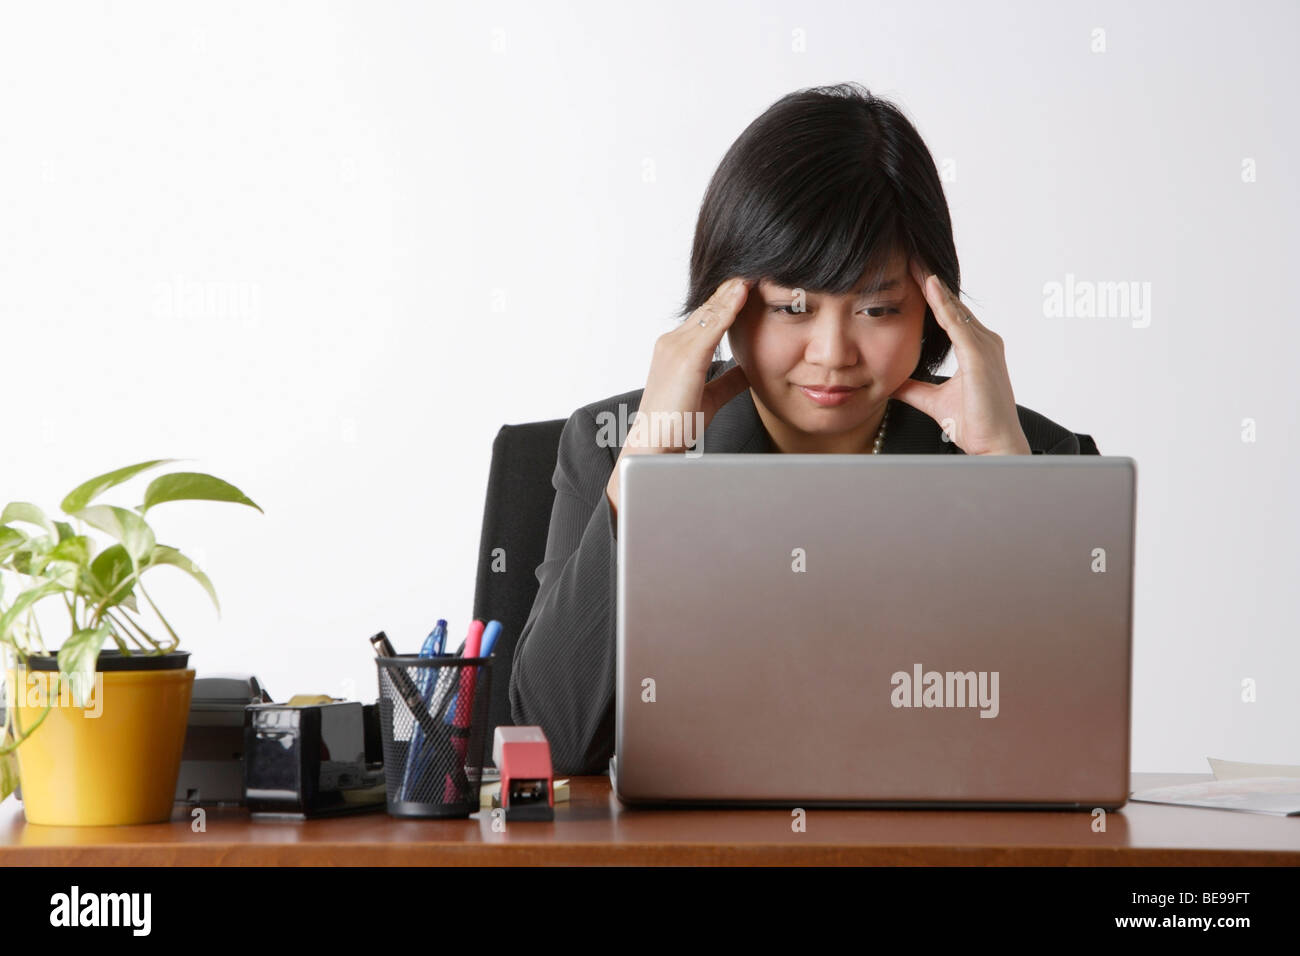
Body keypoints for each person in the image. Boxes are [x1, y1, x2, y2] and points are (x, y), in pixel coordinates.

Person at [508, 82, 1088, 775]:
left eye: (877, 309)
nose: (833, 352)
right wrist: (645, 468)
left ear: (936, 310)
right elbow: (552, 744)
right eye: (791, 307)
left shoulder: (1045, 460)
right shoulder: (610, 445)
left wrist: (1007, 475)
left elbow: (1070, 748)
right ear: (725, 304)